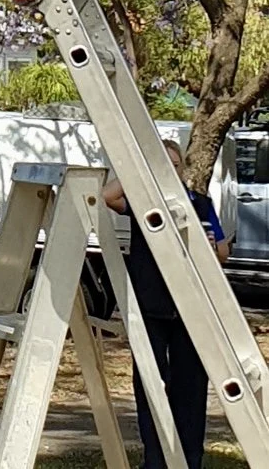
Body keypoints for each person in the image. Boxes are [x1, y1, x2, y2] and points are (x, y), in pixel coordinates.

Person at [103, 139, 229, 469]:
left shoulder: (199, 203)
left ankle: (190, 459)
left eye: (173, 165)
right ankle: (156, 460)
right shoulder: (142, 200)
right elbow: (108, 197)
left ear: (182, 169)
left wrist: (213, 247)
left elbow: (222, 252)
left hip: (192, 311)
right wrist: (137, 168)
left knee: (191, 389)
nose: (169, 171)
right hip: (151, 307)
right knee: (152, 385)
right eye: (161, 165)